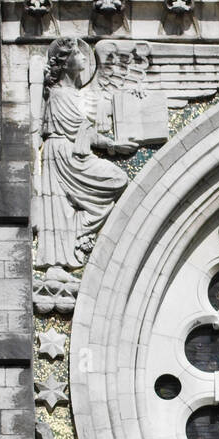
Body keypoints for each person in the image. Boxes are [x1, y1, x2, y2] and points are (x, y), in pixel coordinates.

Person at [34, 37, 132, 268]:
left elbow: (85, 129)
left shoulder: (79, 93)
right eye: (78, 55)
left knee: (117, 179)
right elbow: (79, 130)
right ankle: (68, 243)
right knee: (113, 180)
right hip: (63, 154)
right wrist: (112, 146)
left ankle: (77, 228)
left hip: (75, 154)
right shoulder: (58, 94)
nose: (84, 58)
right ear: (66, 63)